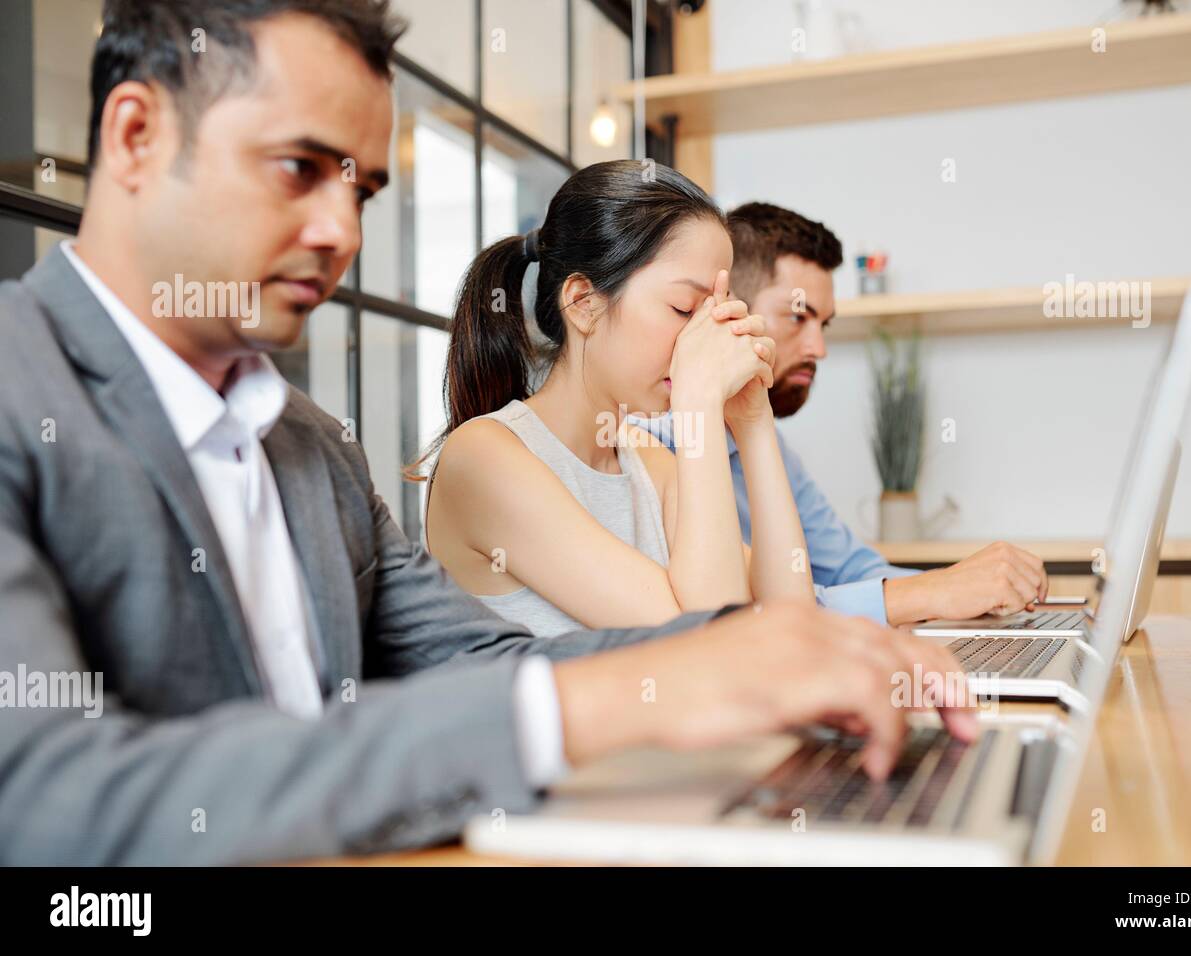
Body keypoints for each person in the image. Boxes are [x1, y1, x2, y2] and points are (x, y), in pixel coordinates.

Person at [0, 0, 973, 865]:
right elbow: (41, 798)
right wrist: (601, 701)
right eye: (301, 168)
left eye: (364, 190)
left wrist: (775, 652)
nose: (344, 229)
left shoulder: (307, 443)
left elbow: (486, 661)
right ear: (133, 136)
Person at [420, 161, 815, 637]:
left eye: (716, 312)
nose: (708, 336)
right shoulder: (484, 457)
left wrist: (753, 423)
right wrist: (699, 406)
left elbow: (791, 626)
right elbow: (711, 642)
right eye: (684, 309)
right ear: (584, 303)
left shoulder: (648, 460)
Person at [635, 202, 1050, 626]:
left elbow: (850, 569)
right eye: (798, 316)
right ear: (726, 309)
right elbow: (744, 616)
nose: (819, 348)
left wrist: (970, 585)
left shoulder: (770, 445)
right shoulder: (644, 443)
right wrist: (930, 594)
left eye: (825, 325)